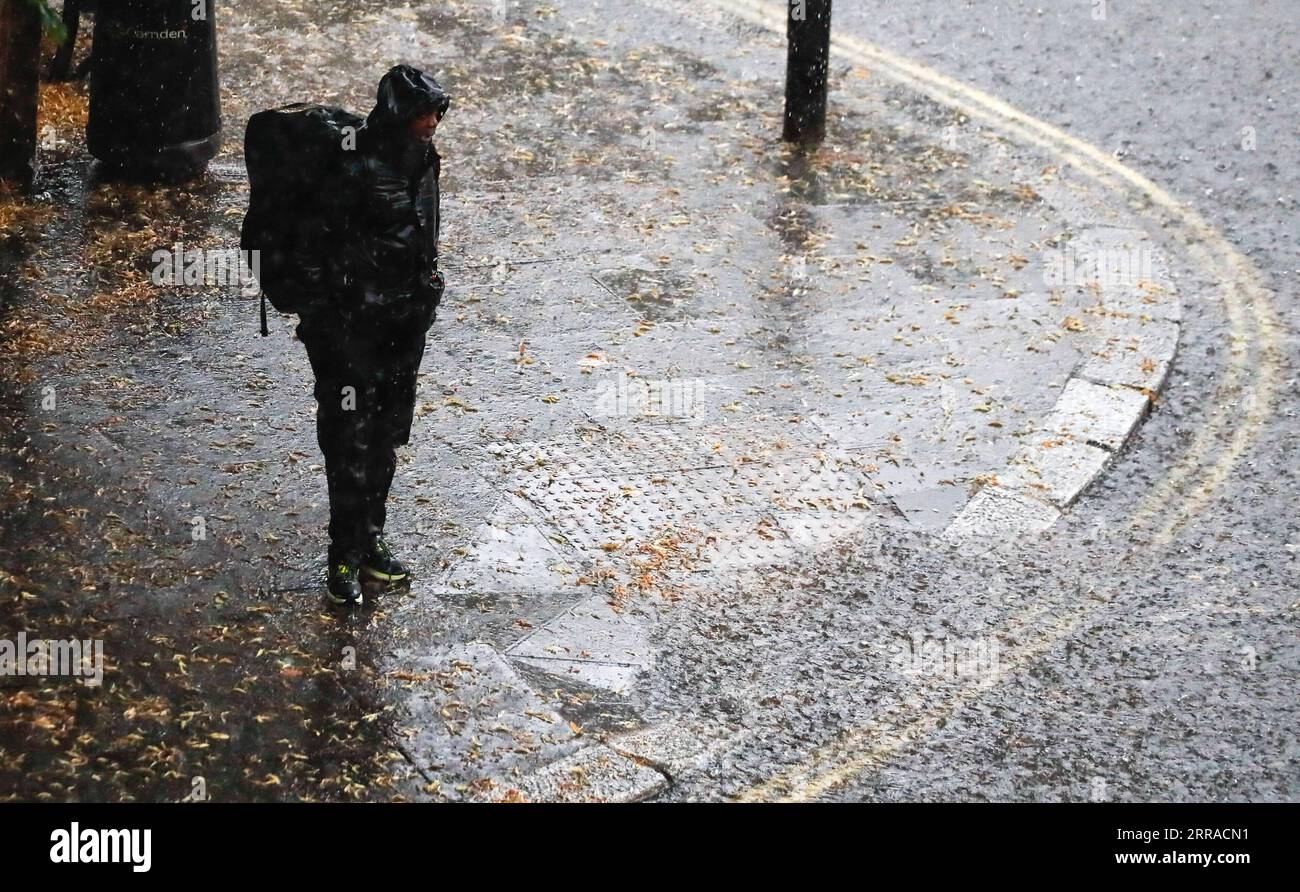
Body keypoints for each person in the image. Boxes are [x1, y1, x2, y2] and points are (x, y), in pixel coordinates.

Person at [296, 65, 449, 606]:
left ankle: (370, 542)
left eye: (437, 111)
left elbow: (423, 233)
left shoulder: (425, 161)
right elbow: (314, 243)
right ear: (400, 115)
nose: (433, 121)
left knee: (385, 437)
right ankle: (343, 554)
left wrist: (426, 292)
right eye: (424, 112)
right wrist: (326, 319)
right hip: (351, 332)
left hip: (403, 329)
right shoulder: (355, 163)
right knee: (349, 440)